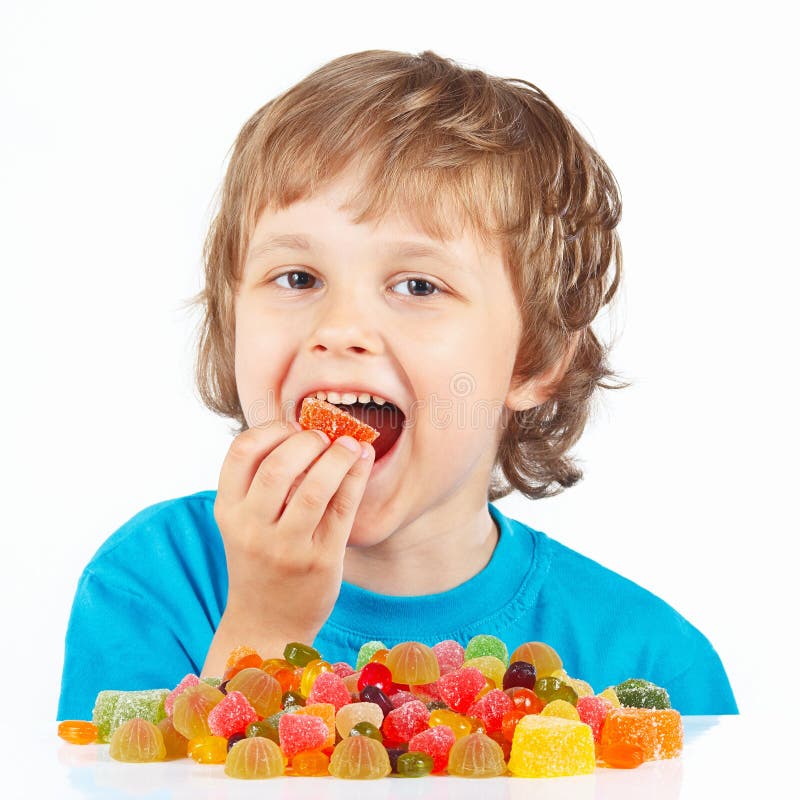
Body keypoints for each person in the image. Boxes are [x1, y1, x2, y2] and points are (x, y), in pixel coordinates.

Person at [57, 49, 737, 721]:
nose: (341, 327)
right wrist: (265, 629)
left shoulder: (651, 667)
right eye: (298, 277)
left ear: (534, 359)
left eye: (418, 285)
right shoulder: (152, 586)